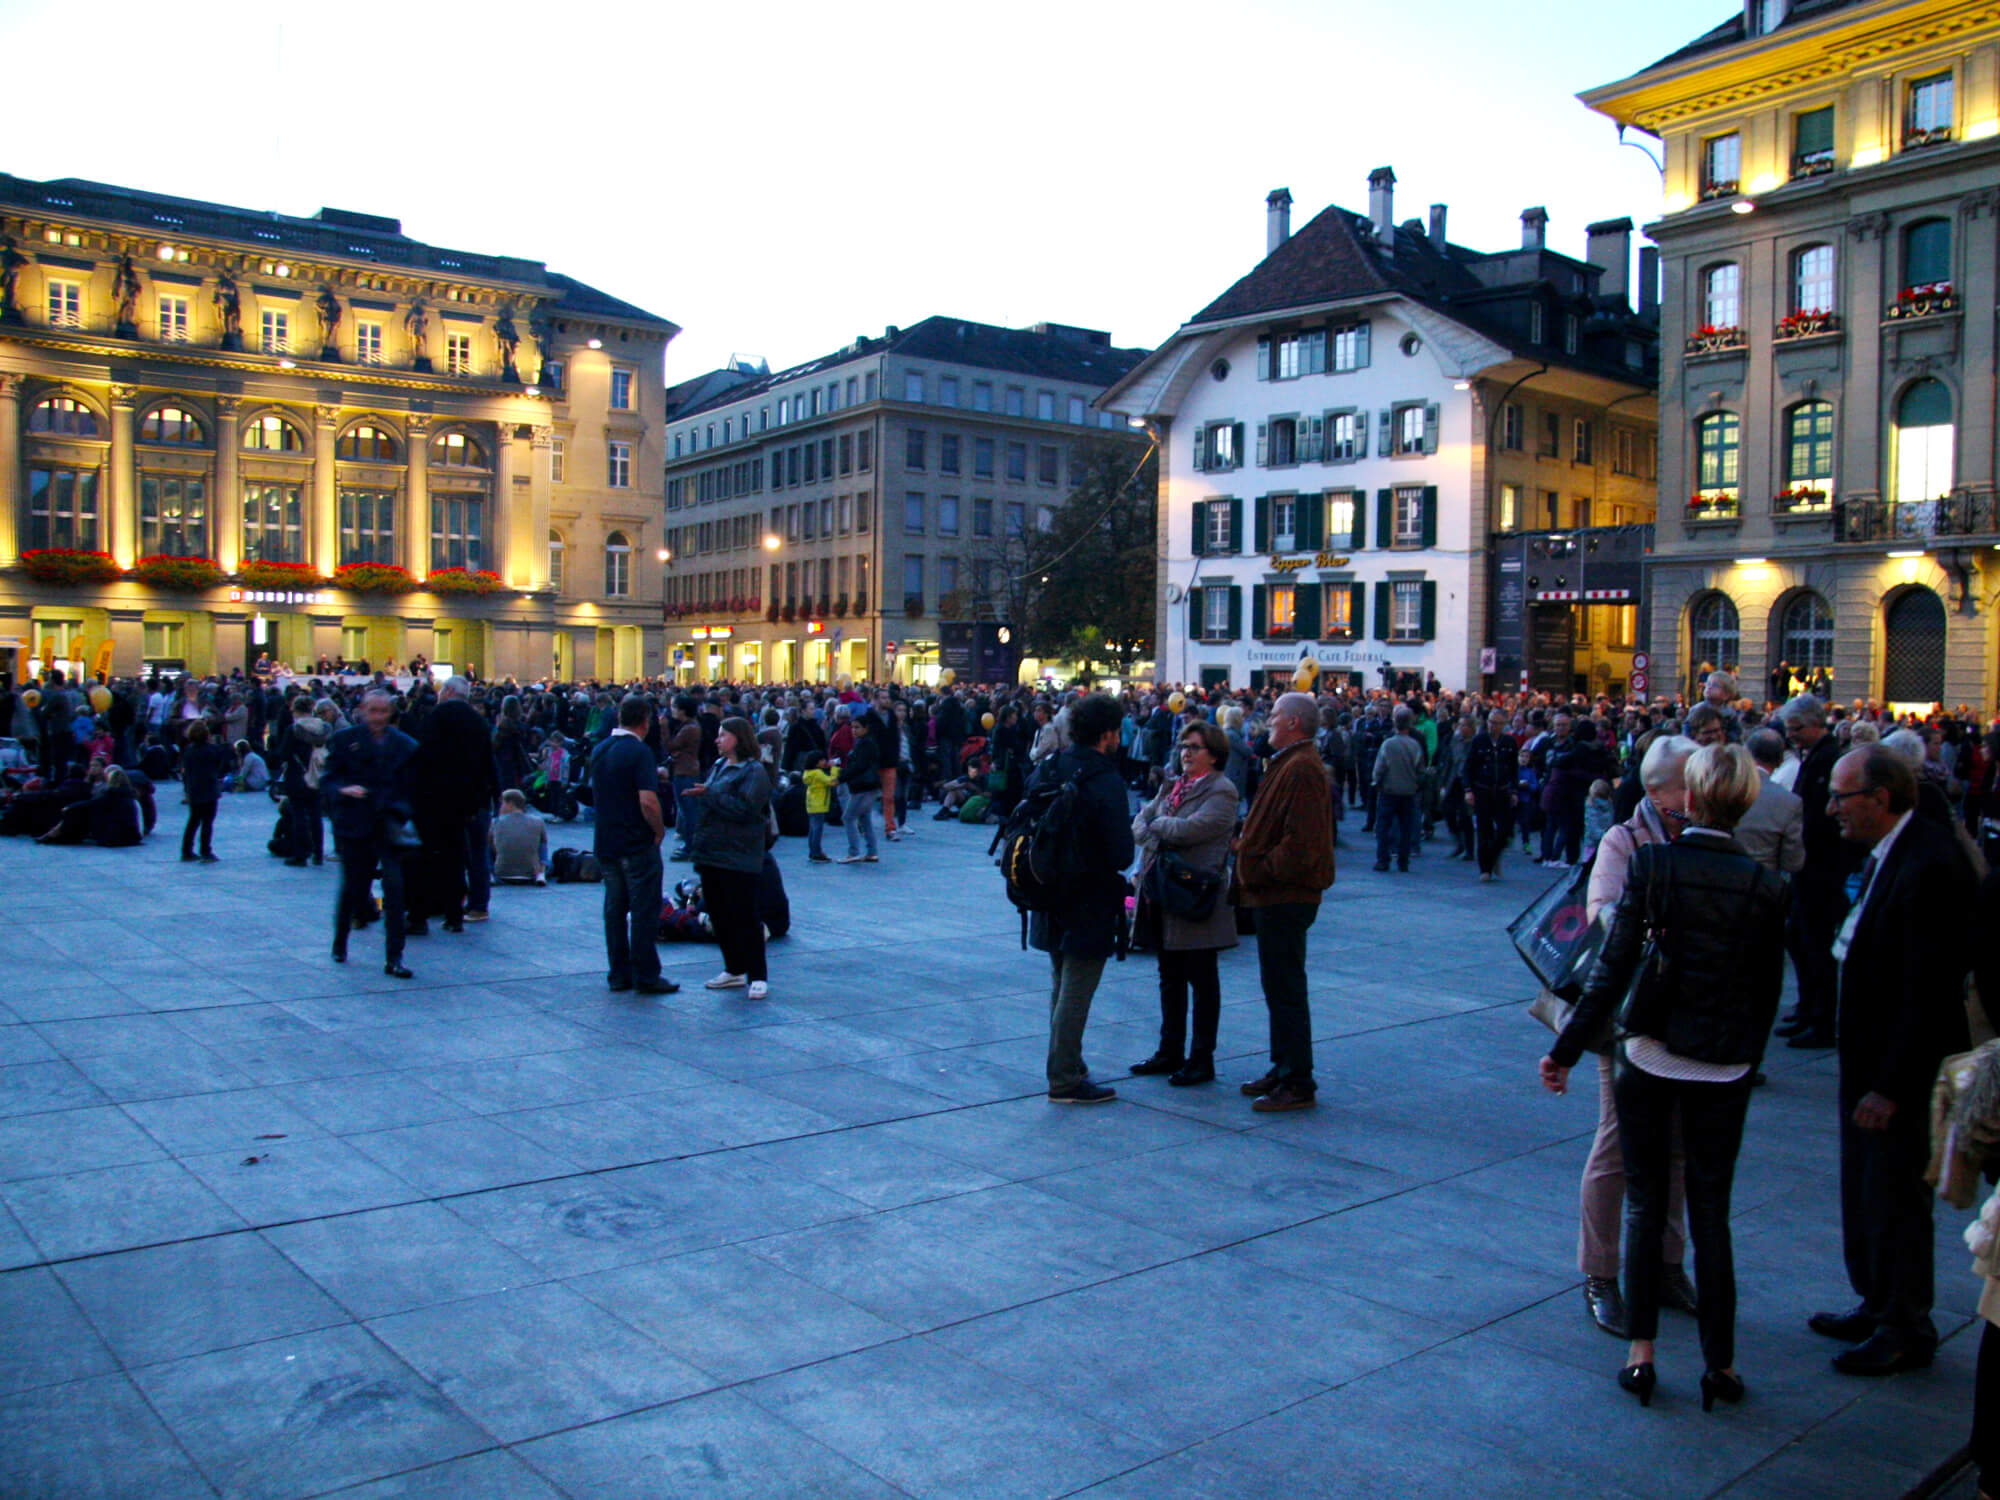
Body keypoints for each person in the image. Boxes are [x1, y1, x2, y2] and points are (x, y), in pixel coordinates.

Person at [1541, 744, 1789, 1410]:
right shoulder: (1768, 886)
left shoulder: (1654, 865)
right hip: (1724, 1062)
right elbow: (1767, 992)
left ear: (1694, 795)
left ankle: (1642, 1354)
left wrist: (1562, 1050)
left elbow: (1611, 969)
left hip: (1650, 1050)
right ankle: (1722, 1365)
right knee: (1713, 1212)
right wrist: (1745, 1060)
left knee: (1648, 1202)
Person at [1813, 745, 1978, 1374]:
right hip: (1868, 1057)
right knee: (1869, 1188)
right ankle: (1878, 1300)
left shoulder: (1930, 863)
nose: (1831, 809)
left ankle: (1906, 1322)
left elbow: (1928, 990)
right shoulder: (1895, 852)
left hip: (1897, 1071)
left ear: (1881, 799)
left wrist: (1890, 1086)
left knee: (1897, 1194)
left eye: (1841, 796)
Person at [1570, 734, 1702, 1338]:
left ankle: (1669, 1265)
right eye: (1690, 783)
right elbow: (1606, 919)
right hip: (1628, 1016)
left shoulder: (1701, 837)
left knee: (1677, 1147)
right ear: (1659, 790)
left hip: (1688, 1018)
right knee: (1618, 1145)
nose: (1700, 792)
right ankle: (1600, 1272)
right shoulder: (1622, 842)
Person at [1232, 691, 1337, 1112]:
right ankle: (1283, 1066)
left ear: (1294, 723)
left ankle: (1297, 1079)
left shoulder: (1302, 768)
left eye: (1274, 716)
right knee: (1278, 986)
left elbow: (1302, 842)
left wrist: (1259, 867)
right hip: (1276, 892)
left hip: (1285, 893)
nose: (1266, 721)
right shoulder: (1291, 763)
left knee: (1286, 987)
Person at [1029, 692, 1134, 1104]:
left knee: (1061, 980)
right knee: (1077, 985)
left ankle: (1068, 1061)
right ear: (1107, 734)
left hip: (1045, 889)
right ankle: (1065, 1076)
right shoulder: (1105, 778)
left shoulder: (1051, 766)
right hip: (1088, 895)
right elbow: (1121, 852)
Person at [1129, 719, 1240, 1086]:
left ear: (1214, 754)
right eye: (1183, 747)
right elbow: (1138, 823)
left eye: (1194, 747)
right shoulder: (1175, 786)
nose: (1186, 753)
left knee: (1202, 979)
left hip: (1196, 894)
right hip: (1164, 889)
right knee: (1168, 976)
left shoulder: (1222, 791)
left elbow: (1191, 830)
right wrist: (1158, 824)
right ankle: (1169, 1050)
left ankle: (1201, 1058)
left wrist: (1156, 825)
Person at [1776, 694, 1860, 1050]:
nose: (1791, 736)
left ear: (1815, 723)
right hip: (1808, 863)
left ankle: (1822, 1018)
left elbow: (1818, 816)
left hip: (1820, 865)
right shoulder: (1814, 756)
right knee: (1800, 937)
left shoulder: (1827, 759)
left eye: (1796, 729)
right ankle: (1809, 1007)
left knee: (1816, 943)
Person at [321, 689, 418, 977]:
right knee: (353, 886)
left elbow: (414, 786)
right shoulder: (345, 740)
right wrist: (343, 790)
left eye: (383, 712)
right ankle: (340, 941)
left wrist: (402, 812)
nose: (377, 718)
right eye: (372, 711)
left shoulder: (405, 746)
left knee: (395, 890)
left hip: (388, 825)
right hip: (354, 823)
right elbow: (328, 778)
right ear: (362, 711)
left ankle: (394, 957)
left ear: (390, 714)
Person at [590, 695, 676, 995]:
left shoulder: (600, 749)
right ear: (645, 722)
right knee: (643, 909)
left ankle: (618, 972)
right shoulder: (639, 752)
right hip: (635, 840)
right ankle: (646, 974)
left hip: (606, 839)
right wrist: (658, 829)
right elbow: (647, 800)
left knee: (614, 909)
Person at [688, 716, 775, 999]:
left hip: (739, 854)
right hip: (712, 851)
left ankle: (757, 975)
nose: (717, 739)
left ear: (738, 738)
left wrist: (709, 794)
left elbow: (747, 810)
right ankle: (733, 967)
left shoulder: (754, 771)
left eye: (723, 735)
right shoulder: (718, 766)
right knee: (719, 913)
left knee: (745, 915)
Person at [408, 675, 499, 931]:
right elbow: (488, 762)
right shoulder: (478, 722)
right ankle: (466, 910)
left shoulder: (436, 718)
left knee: (436, 856)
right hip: (473, 801)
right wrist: (493, 794)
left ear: (447, 691)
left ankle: (428, 911)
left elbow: (423, 759)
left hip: (439, 800)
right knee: (472, 855)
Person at [1733, 728, 1806, 876]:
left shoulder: (1721, 787)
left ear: (1746, 754)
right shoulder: (1790, 802)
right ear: (1779, 761)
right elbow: (1793, 862)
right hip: (1762, 885)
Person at [1464, 709, 1518, 883]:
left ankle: (1494, 857)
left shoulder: (1509, 742)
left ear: (1504, 725)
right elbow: (1469, 766)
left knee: (1505, 831)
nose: (1493, 726)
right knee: (1483, 830)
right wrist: (1468, 790)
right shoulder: (1479, 741)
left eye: (1497, 723)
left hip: (1502, 790)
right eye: (1491, 722)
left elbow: (1514, 768)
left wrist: (1514, 790)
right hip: (1483, 790)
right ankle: (1485, 868)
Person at [1371, 705, 1424, 873]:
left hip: (1389, 790)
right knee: (1406, 827)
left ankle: (1383, 859)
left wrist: (1377, 782)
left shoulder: (1388, 744)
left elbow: (1380, 768)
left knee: (1384, 826)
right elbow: (1420, 769)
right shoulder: (1415, 745)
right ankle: (1403, 860)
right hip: (1408, 790)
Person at [835, 710, 883, 864]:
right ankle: (871, 852)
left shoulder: (865, 744)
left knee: (848, 817)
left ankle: (854, 851)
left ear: (865, 728)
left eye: (857, 727)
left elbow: (859, 766)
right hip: (867, 786)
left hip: (863, 787)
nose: (854, 730)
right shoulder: (866, 743)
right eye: (853, 727)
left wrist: (841, 777)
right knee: (865, 818)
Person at [179, 721, 223, 863]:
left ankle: (186, 851)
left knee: (193, 821)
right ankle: (205, 851)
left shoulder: (188, 751)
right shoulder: (212, 750)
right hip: (209, 788)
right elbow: (219, 765)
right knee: (207, 822)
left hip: (194, 789)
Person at [489, 789, 548, 884]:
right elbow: (543, 843)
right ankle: (541, 873)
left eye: (503, 803)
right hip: (531, 873)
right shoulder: (538, 821)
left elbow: (493, 847)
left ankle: (489, 873)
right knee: (543, 846)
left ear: (510, 804)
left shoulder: (496, 822)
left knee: (485, 845)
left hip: (502, 872)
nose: (500, 807)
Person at [800, 752, 836, 863]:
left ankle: (813, 851)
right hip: (820, 804)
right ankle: (817, 853)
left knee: (813, 829)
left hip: (811, 804)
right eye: (822, 760)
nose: (825, 762)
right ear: (816, 762)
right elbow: (831, 782)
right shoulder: (817, 773)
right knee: (817, 830)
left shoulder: (808, 773)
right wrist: (834, 769)